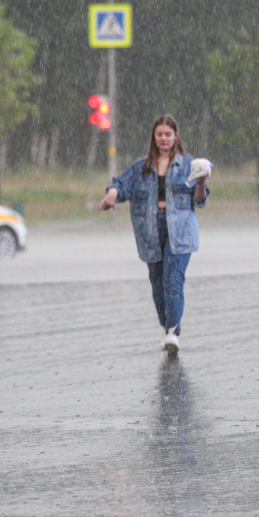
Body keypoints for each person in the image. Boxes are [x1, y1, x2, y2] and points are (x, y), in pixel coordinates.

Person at [97, 115, 209, 355]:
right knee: (158, 286)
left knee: (173, 281)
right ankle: (168, 326)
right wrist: (113, 194)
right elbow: (120, 184)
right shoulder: (142, 168)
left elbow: (199, 200)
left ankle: (172, 332)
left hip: (180, 233)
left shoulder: (190, 165)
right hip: (150, 231)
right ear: (154, 137)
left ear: (176, 136)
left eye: (168, 134)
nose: (164, 139)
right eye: (160, 134)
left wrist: (200, 183)